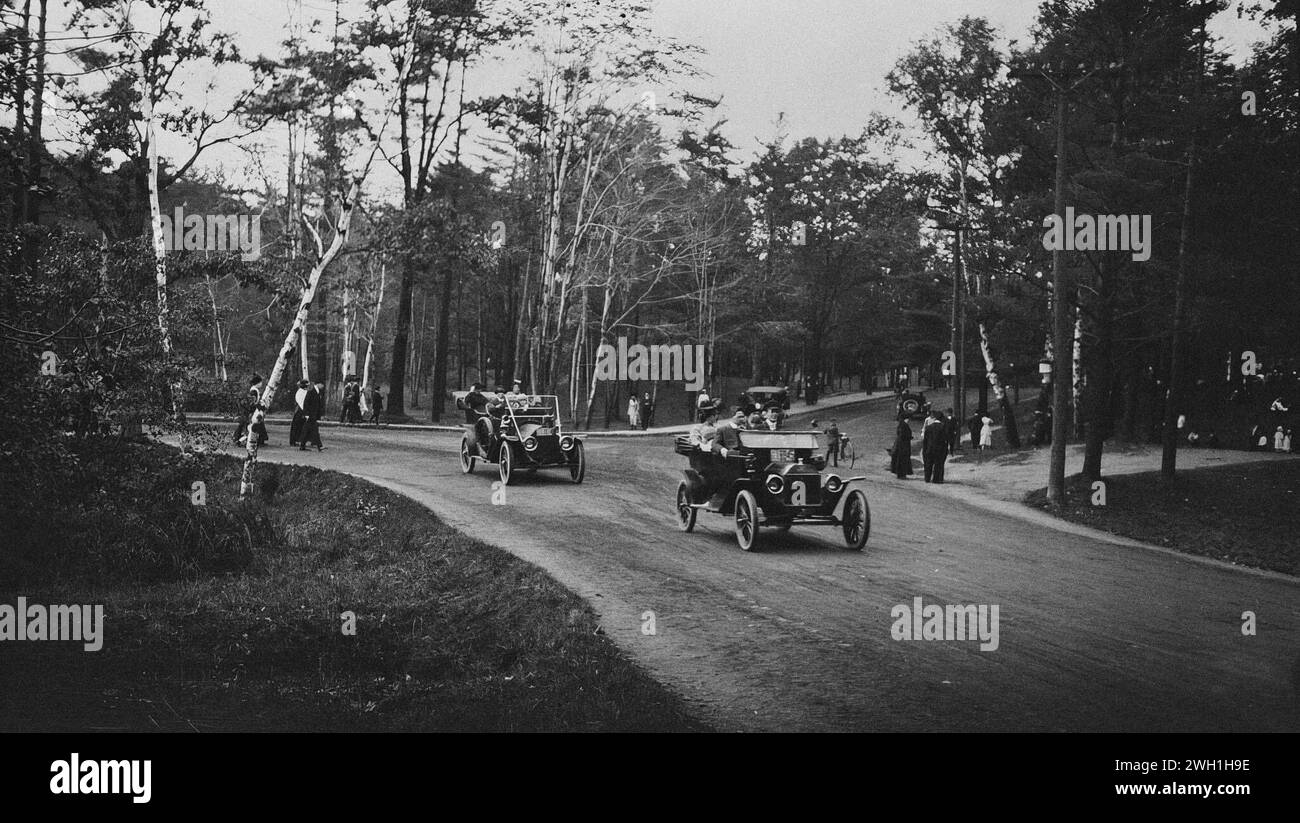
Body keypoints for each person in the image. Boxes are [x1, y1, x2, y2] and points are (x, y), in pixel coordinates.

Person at [922, 409, 948, 483]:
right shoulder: (942, 427)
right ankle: (936, 479)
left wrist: (925, 449)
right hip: (939, 449)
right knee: (938, 464)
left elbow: (925, 440)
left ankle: (927, 478)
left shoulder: (929, 427)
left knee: (929, 463)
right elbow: (944, 439)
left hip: (929, 448)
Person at [299, 380, 324, 451]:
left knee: (306, 430)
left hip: (313, 414)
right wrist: (306, 414)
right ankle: (319, 445)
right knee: (314, 430)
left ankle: (302, 445)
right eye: (322, 385)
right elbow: (306, 402)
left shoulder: (316, 391)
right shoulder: (311, 391)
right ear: (318, 384)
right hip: (310, 414)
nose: (323, 386)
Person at [290, 378, 310, 446]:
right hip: (300, 410)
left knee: (299, 426)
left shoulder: (302, 392)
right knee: (298, 426)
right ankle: (295, 440)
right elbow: (302, 402)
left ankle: (297, 440)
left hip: (301, 410)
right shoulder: (301, 392)